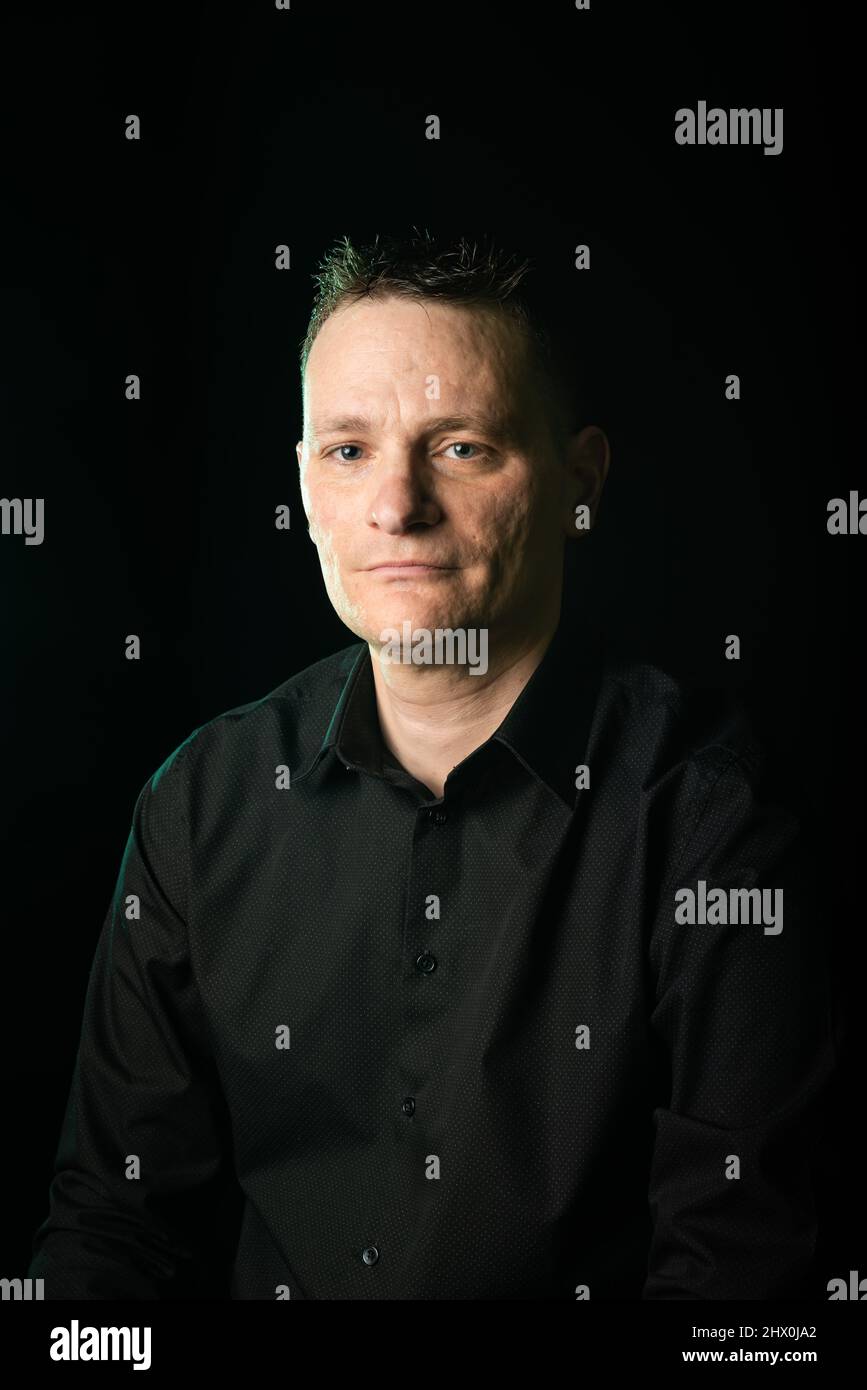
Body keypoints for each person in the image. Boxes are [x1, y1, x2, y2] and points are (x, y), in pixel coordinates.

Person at [29, 231, 835, 1299]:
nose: (395, 506)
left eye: (460, 447)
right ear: (306, 486)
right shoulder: (201, 803)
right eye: (349, 449)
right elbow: (114, 1232)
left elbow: (738, 1296)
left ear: (579, 481)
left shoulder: (712, 828)